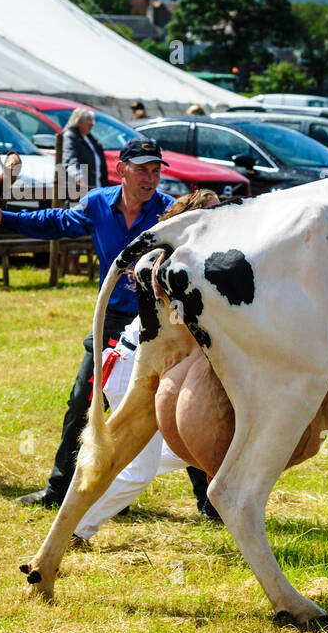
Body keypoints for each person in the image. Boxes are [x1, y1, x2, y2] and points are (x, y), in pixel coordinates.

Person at [0, 138, 215, 518]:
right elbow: (56, 222)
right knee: (83, 402)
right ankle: (59, 490)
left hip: (158, 323)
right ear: (121, 170)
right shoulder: (96, 204)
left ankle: (209, 501)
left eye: (156, 170)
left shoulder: (168, 211)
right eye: (142, 170)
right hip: (109, 320)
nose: (150, 178)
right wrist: (4, 218)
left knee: (178, 406)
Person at [71, 190, 222, 548]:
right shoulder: (174, 259)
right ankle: (77, 527)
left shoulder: (200, 257)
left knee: (180, 452)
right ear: (194, 216)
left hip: (144, 364)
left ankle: (87, 489)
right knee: (137, 472)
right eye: (214, 210)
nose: (222, 215)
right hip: (133, 366)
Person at [61, 107, 107, 198]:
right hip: (81, 192)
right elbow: (70, 159)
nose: (92, 124)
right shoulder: (70, 137)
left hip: (96, 189)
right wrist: (78, 176)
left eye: (92, 121)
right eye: (88, 121)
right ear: (78, 122)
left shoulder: (89, 138)